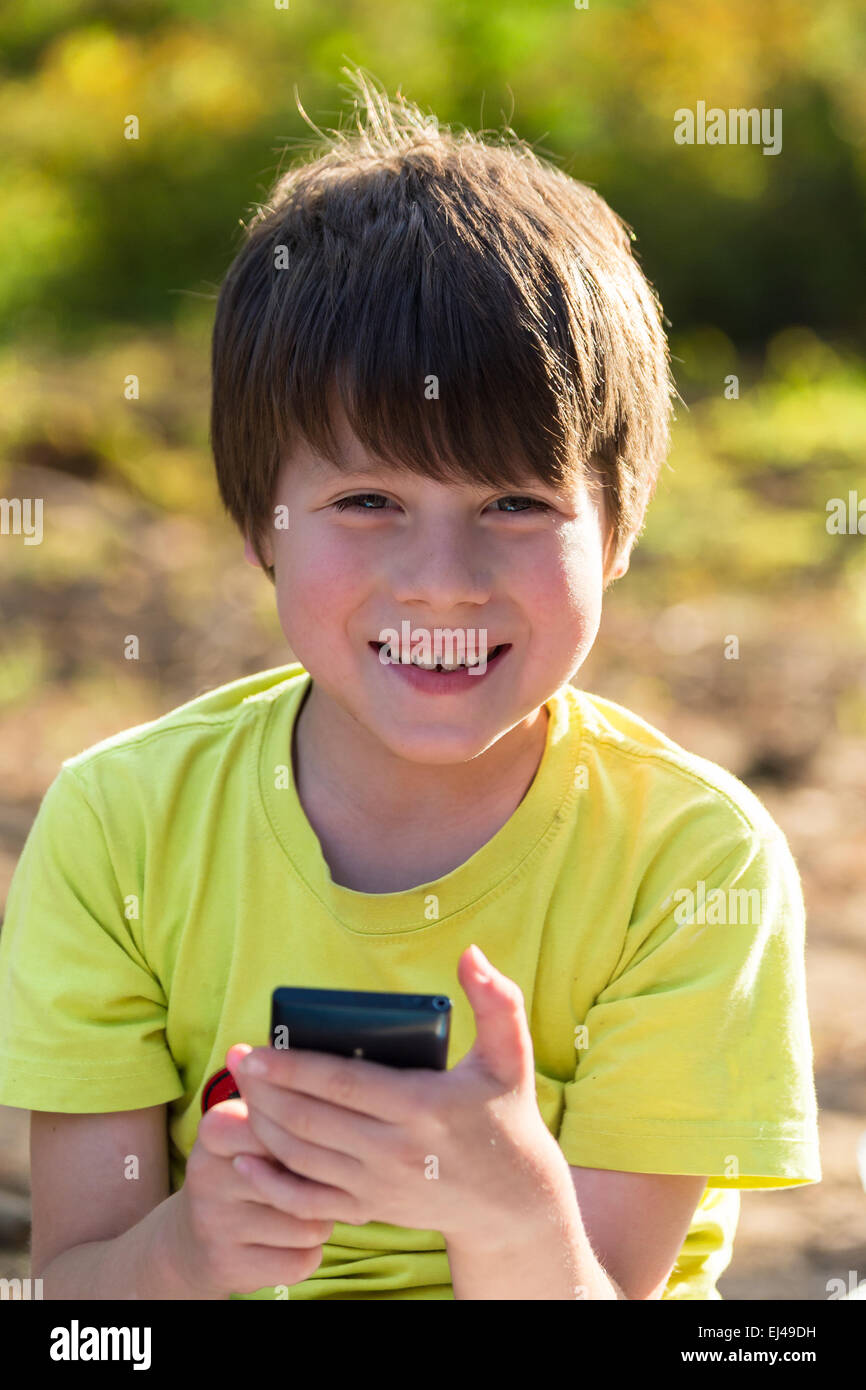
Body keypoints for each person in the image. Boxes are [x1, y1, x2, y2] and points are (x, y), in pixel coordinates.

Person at [0, 67, 820, 1300]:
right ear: (259, 521)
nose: (442, 581)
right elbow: (77, 1314)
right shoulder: (119, 827)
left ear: (617, 531)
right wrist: (185, 1249)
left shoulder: (689, 863)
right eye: (367, 500)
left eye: (513, 503)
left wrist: (507, 1209)